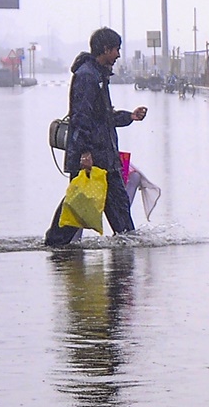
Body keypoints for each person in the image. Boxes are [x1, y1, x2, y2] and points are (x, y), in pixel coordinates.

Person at [45, 27, 148, 246]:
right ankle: (54, 246)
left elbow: (103, 117)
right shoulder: (87, 77)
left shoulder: (98, 75)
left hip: (106, 160)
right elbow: (81, 118)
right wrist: (85, 154)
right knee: (77, 206)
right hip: (92, 160)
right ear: (105, 49)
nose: (118, 55)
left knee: (122, 222)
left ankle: (124, 264)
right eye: (116, 50)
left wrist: (129, 116)